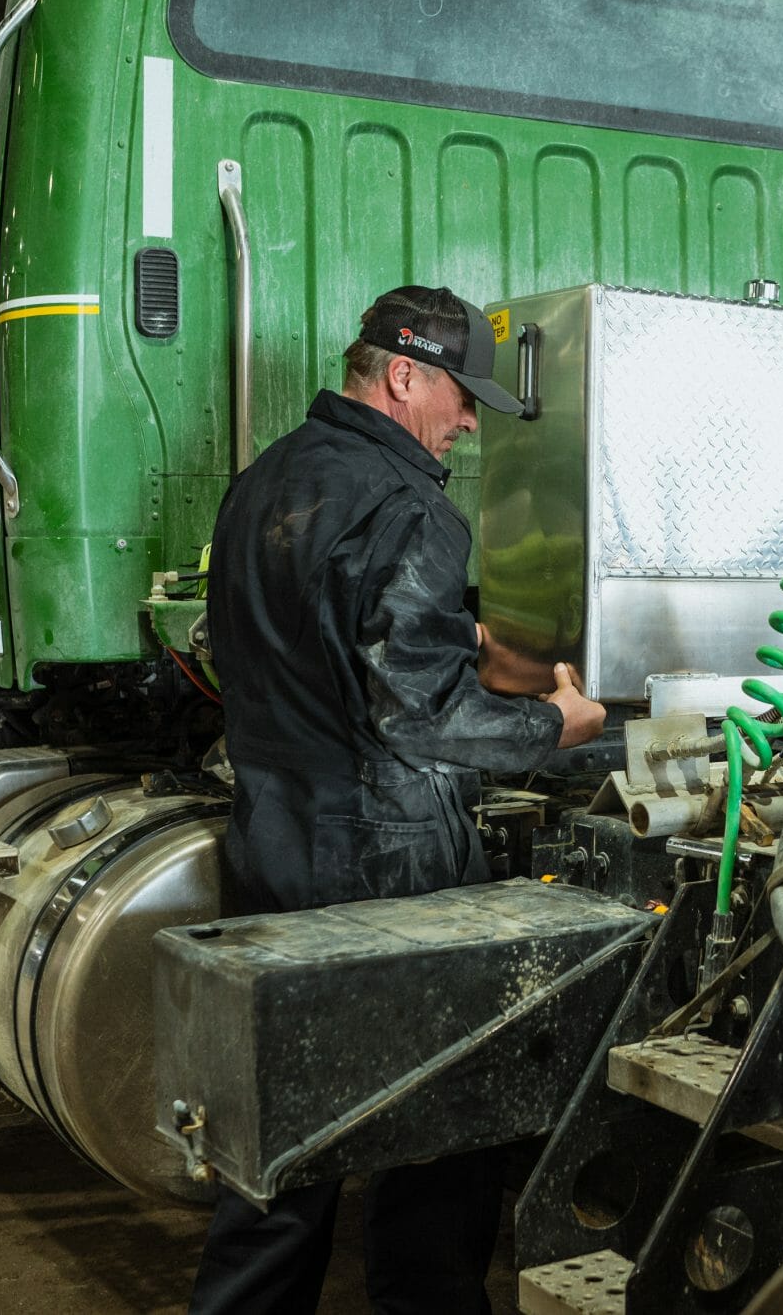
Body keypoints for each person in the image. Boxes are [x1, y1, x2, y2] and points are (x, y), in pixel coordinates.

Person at [194, 284, 607, 1314]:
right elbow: (421, 723)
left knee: (282, 1149)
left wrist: (458, 638)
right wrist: (553, 728)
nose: (468, 421)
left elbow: (308, 642)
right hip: (389, 872)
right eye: (457, 396)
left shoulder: (258, 486)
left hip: (271, 848)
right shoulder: (412, 506)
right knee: (437, 1141)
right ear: (401, 374)